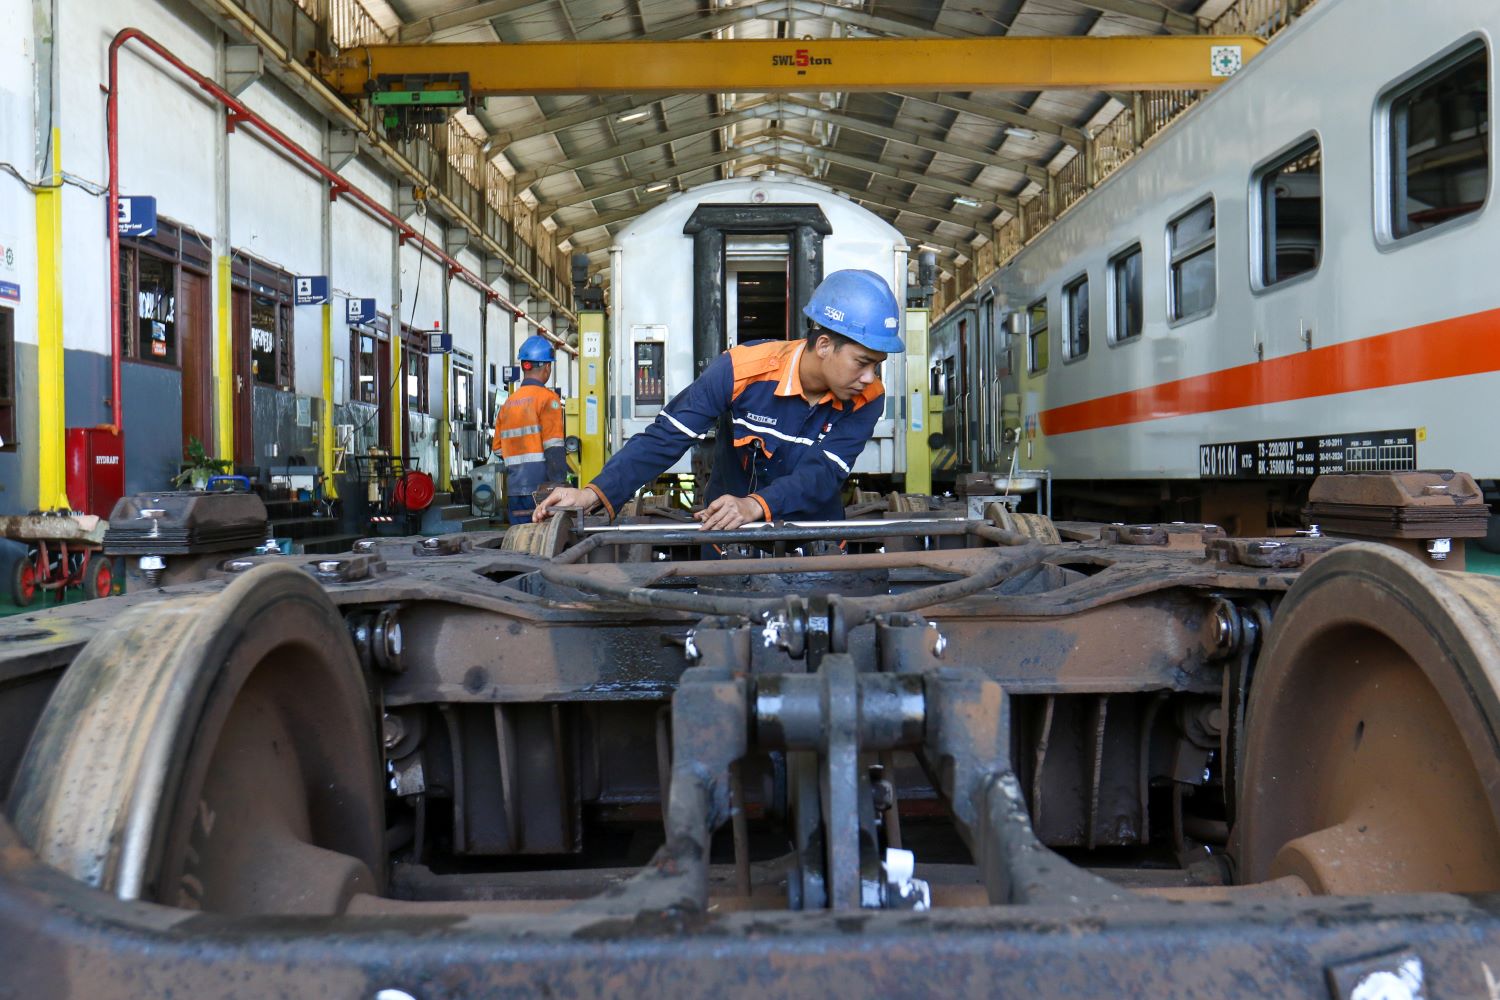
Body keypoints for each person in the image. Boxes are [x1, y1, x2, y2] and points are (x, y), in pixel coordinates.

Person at [535, 268, 902, 530]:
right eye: (863, 363)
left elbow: (823, 475)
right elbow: (666, 437)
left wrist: (756, 506)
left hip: (813, 545)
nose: (870, 377)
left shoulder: (868, 397)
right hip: (729, 540)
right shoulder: (741, 369)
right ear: (824, 345)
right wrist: (591, 494)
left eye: (877, 366)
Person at [491, 335, 568, 524]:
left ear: (525, 367)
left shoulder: (508, 404)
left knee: (520, 543)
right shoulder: (548, 399)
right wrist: (560, 485)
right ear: (548, 367)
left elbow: (498, 449)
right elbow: (554, 449)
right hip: (541, 492)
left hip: (515, 490)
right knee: (544, 544)